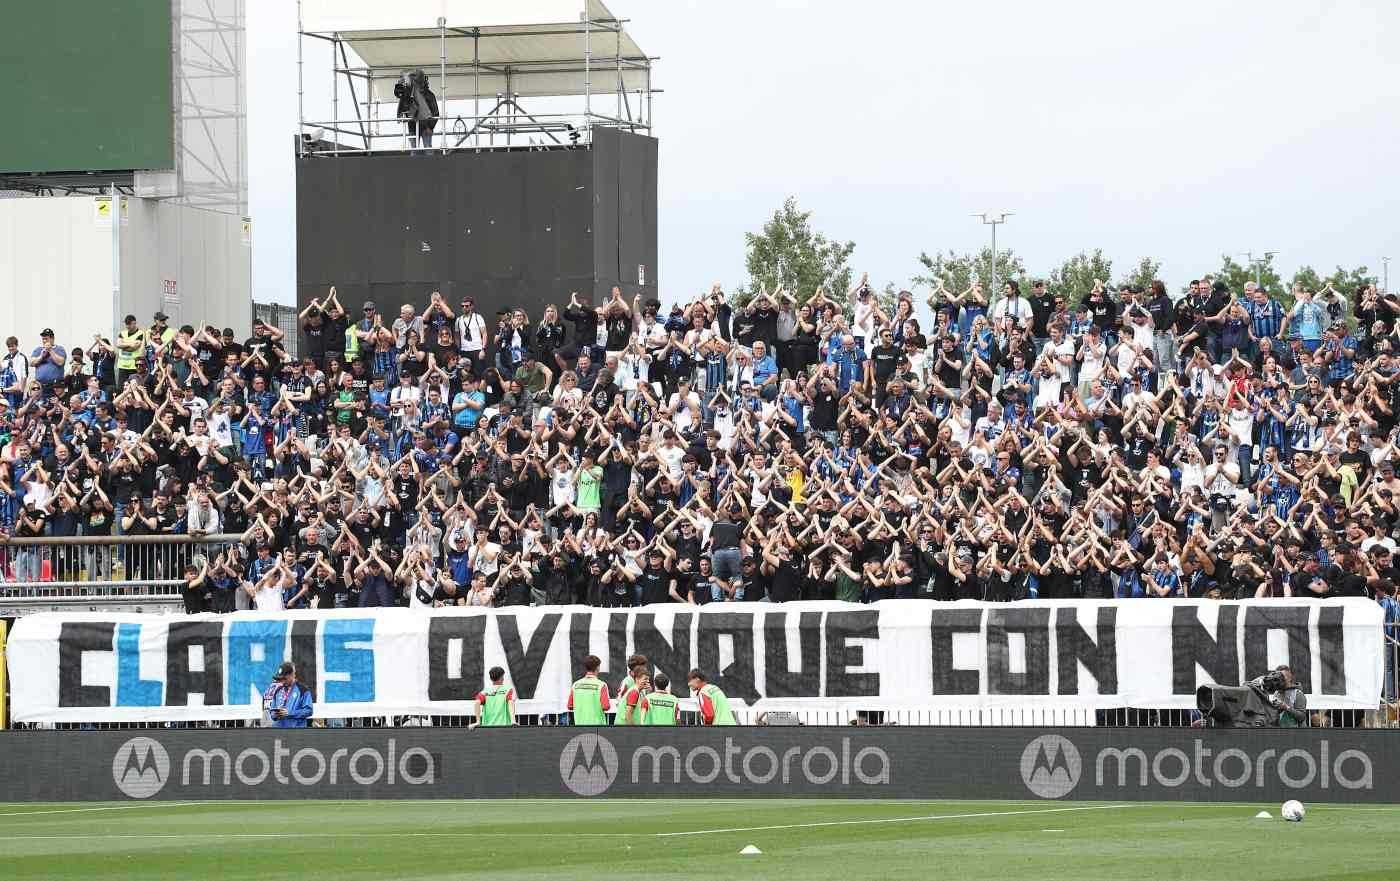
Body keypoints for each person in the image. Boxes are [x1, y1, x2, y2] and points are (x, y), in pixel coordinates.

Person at [394, 69, 439, 149]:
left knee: (427, 149)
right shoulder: (408, 93)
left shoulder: (429, 95)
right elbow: (403, 103)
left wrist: (430, 127)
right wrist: (400, 115)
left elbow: (435, 112)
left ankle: (429, 162)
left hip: (426, 126)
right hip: (413, 126)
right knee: (414, 150)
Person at [263, 661, 313, 728]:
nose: (282, 681)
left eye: (284, 679)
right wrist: (275, 715)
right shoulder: (278, 690)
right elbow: (272, 711)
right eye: (280, 679)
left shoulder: (303, 690)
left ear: (292, 675)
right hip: (279, 731)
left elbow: (309, 711)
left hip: (296, 732)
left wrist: (290, 713)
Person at [567, 654, 611, 725]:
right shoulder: (602, 685)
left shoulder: (575, 685)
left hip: (579, 725)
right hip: (597, 727)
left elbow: (570, 706)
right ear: (598, 668)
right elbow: (606, 706)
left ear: (586, 667)